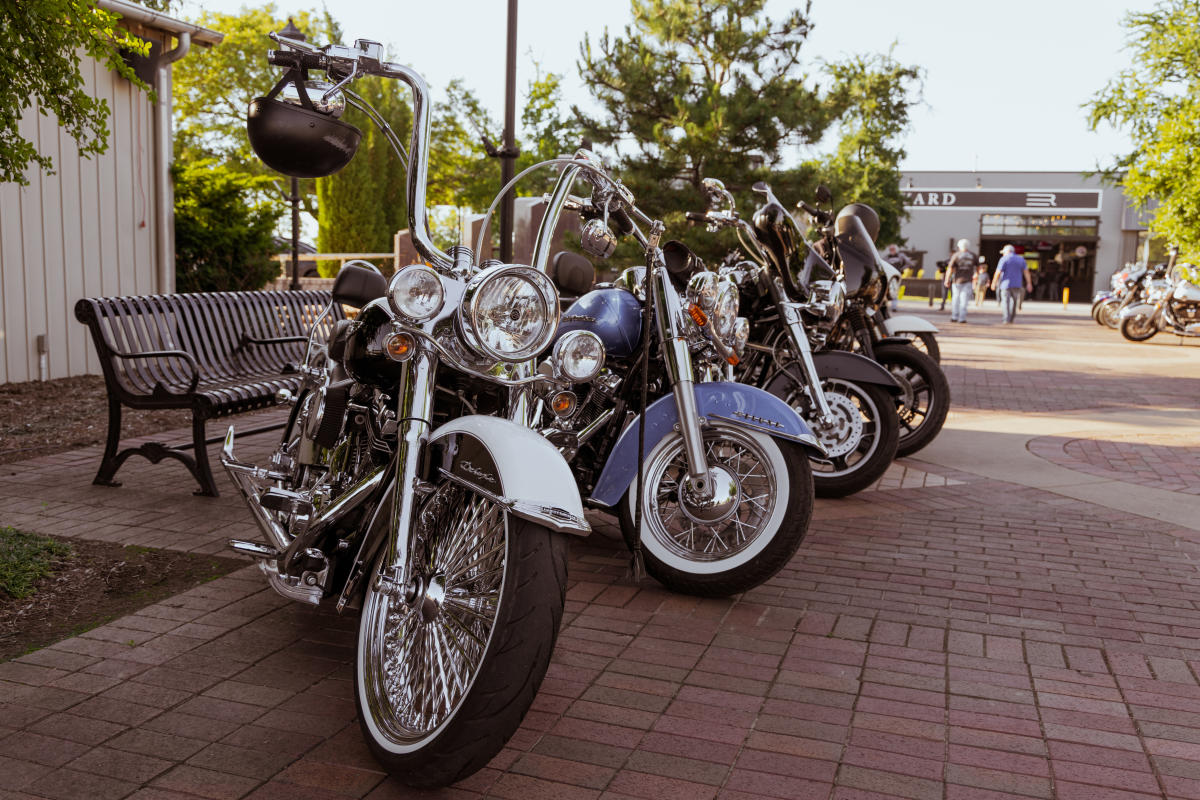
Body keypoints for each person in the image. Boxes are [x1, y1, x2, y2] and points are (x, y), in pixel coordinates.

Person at [990, 244, 1033, 323]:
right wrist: (1029, 283)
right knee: (1014, 301)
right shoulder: (1021, 259)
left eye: (1003, 252)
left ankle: (1006, 318)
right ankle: (1012, 318)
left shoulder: (1004, 259)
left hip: (1005, 284)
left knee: (1005, 301)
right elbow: (1026, 272)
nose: (1003, 254)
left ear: (1006, 252)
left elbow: (998, 272)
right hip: (1017, 284)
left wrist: (993, 282)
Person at [943, 238, 978, 323]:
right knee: (964, 300)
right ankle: (962, 318)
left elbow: (950, 268)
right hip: (968, 280)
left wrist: (947, 279)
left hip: (957, 280)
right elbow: (978, 267)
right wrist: (976, 277)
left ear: (959, 246)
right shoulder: (973, 255)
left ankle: (954, 316)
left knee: (955, 299)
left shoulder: (956, 255)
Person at [883, 244, 914, 311]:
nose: (891, 250)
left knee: (894, 291)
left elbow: (910, 263)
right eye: (890, 249)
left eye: (893, 249)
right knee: (885, 291)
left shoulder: (901, 256)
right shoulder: (887, 257)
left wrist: (902, 269)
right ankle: (884, 306)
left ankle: (894, 307)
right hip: (888, 276)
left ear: (896, 249)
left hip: (896, 276)